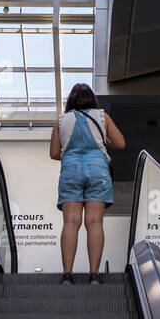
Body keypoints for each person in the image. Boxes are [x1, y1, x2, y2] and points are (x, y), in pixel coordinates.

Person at [50, 83, 125, 284]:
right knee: (94, 223)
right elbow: (120, 143)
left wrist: (72, 153)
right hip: (97, 171)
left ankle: (67, 274)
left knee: (70, 223)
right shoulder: (102, 117)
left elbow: (54, 153)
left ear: (71, 100)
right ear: (92, 98)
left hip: (71, 172)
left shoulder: (61, 121)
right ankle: (94, 274)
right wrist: (105, 139)